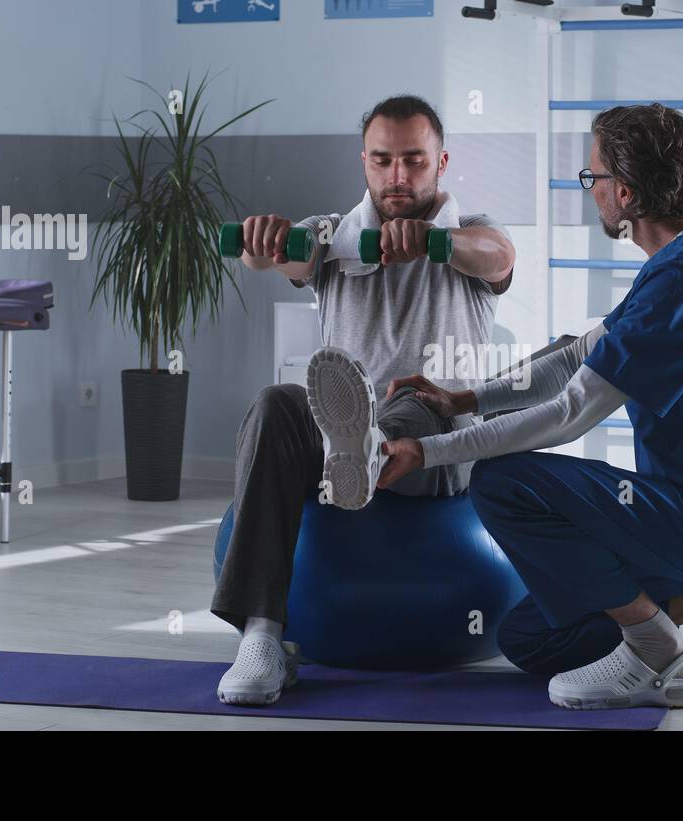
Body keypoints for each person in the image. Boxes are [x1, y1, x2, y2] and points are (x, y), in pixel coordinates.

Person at [372, 103, 683, 711]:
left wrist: (428, 450)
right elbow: (576, 355)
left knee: (503, 481)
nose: (590, 191)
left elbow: (570, 412)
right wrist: (465, 398)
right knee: (533, 639)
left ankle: (660, 655)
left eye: (593, 179)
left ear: (626, 192)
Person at [213, 94, 517, 706]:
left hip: (432, 435)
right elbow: (276, 255)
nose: (398, 176)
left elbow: (500, 257)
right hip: (334, 431)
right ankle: (265, 636)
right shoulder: (333, 236)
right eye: (382, 161)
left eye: (413, 160)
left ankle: (370, 450)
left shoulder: (469, 233)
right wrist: (260, 242)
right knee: (276, 404)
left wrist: (433, 242)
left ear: (442, 162)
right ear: (364, 163)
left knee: (412, 407)